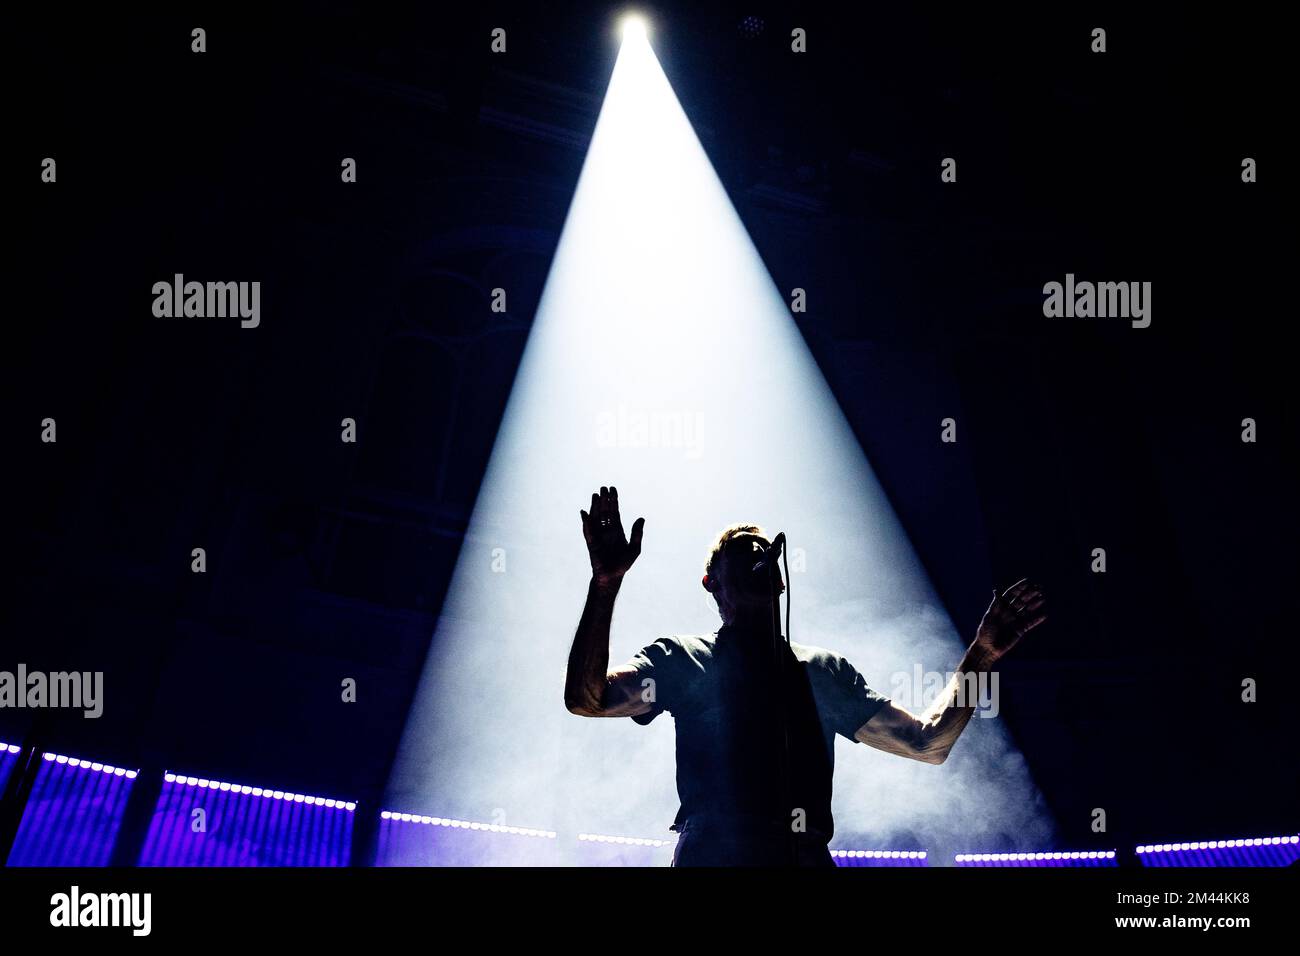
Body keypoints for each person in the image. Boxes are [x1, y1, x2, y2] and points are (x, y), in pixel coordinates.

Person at [564, 485, 1047, 866]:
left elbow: (928, 743)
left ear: (779, 579)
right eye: (740, 550)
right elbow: (588, 699)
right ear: (712, 582)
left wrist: (981, 655)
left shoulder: (822, 673)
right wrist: (605, 584)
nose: (758, 551)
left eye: (764, 550)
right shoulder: (682, 658)